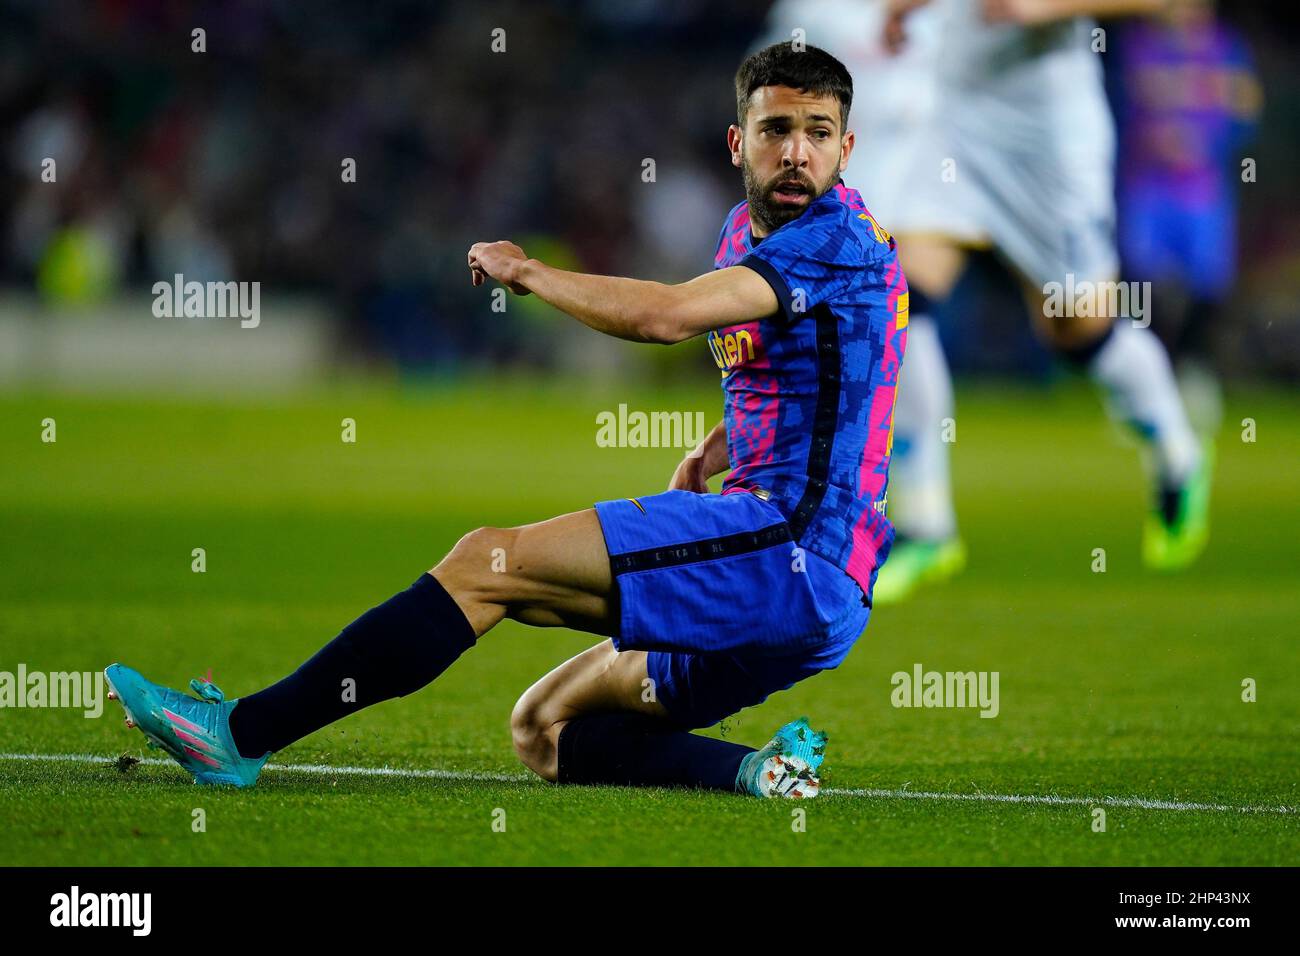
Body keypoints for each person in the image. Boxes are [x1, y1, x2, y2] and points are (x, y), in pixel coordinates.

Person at [105, 43, 909, 799]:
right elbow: (833, 370)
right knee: (544, 731)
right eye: (777, 130)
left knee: (486, 563)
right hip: (802, 574)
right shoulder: (750, 234)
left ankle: (239, 735)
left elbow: (667, 318)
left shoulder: (834, 237)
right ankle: (760, 772)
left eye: (818, 133)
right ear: (740, 142)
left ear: (846, 148)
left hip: (790, 550)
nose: (797, 152)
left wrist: (528, 271)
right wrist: (718, 444)